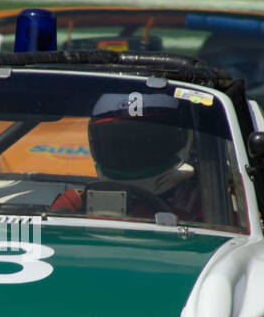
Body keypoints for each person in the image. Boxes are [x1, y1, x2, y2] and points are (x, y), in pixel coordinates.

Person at [50, 92, 203, 221]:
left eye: (147, 144)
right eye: (118, 143)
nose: (134, 153)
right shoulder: (74, 205)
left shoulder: (209, 204)